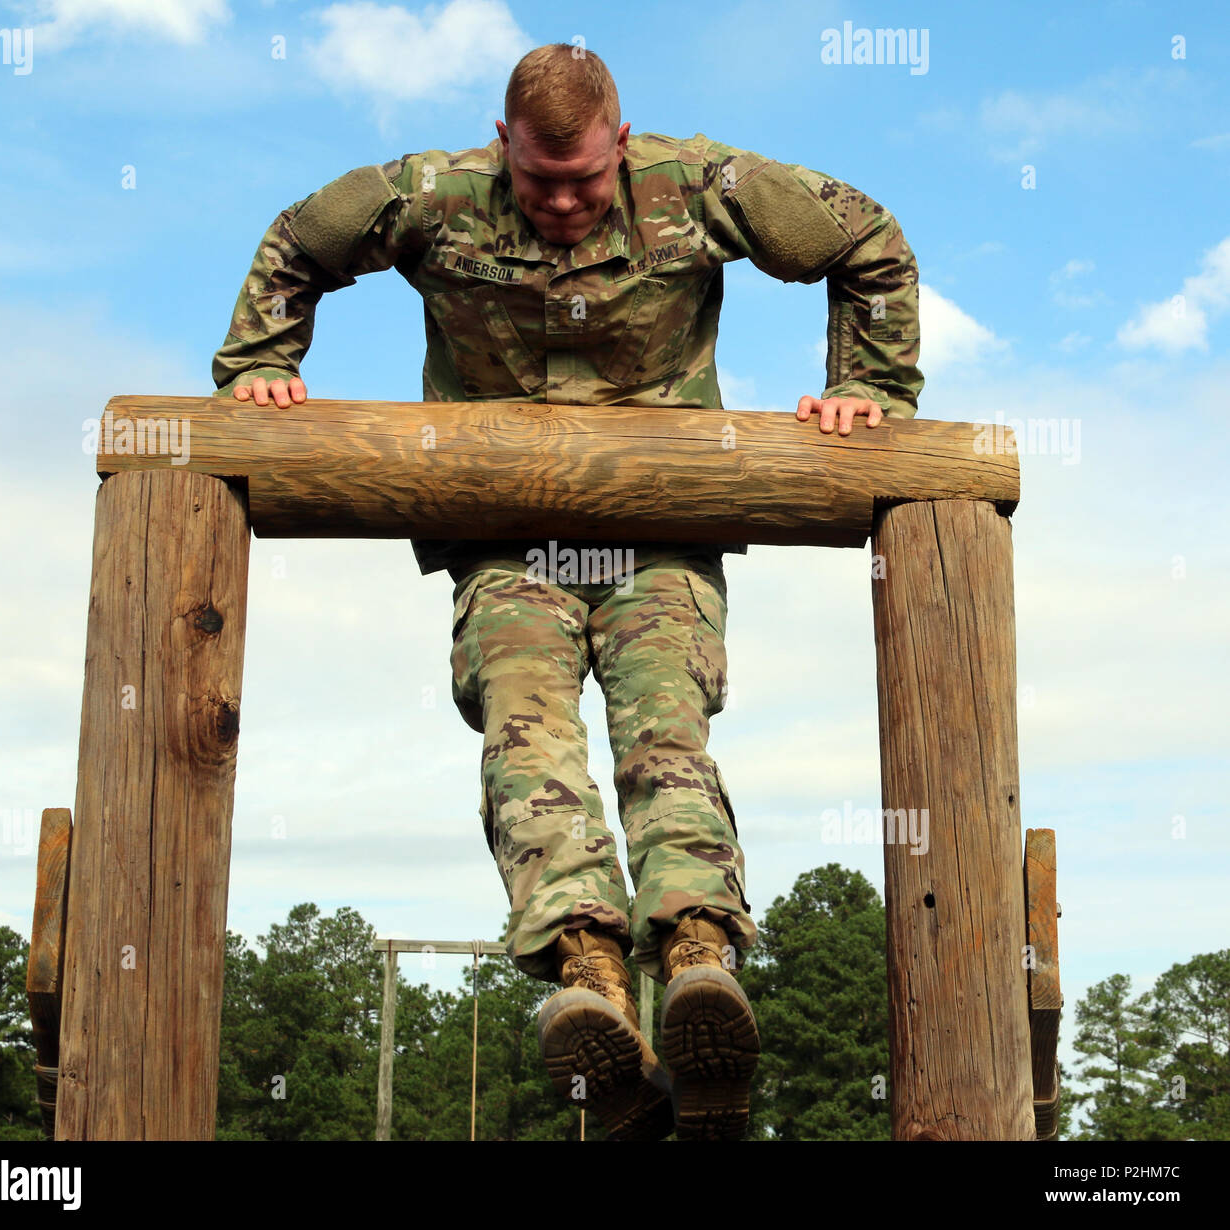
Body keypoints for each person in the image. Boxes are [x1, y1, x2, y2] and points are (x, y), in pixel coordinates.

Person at [212, 43, 923, 1141]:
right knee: (525, 731)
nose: (562, 202)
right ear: (501, 148)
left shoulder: (701, 185)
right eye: (540, 181)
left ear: (621, 144)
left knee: (664, 738)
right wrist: (259, 360)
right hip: (508, 539)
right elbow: (297, 239)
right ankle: (588, 971)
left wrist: (864, 387)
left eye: (585, 179)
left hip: (660, 527)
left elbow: (865, 236)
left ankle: (696, 959)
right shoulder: (428, 198)